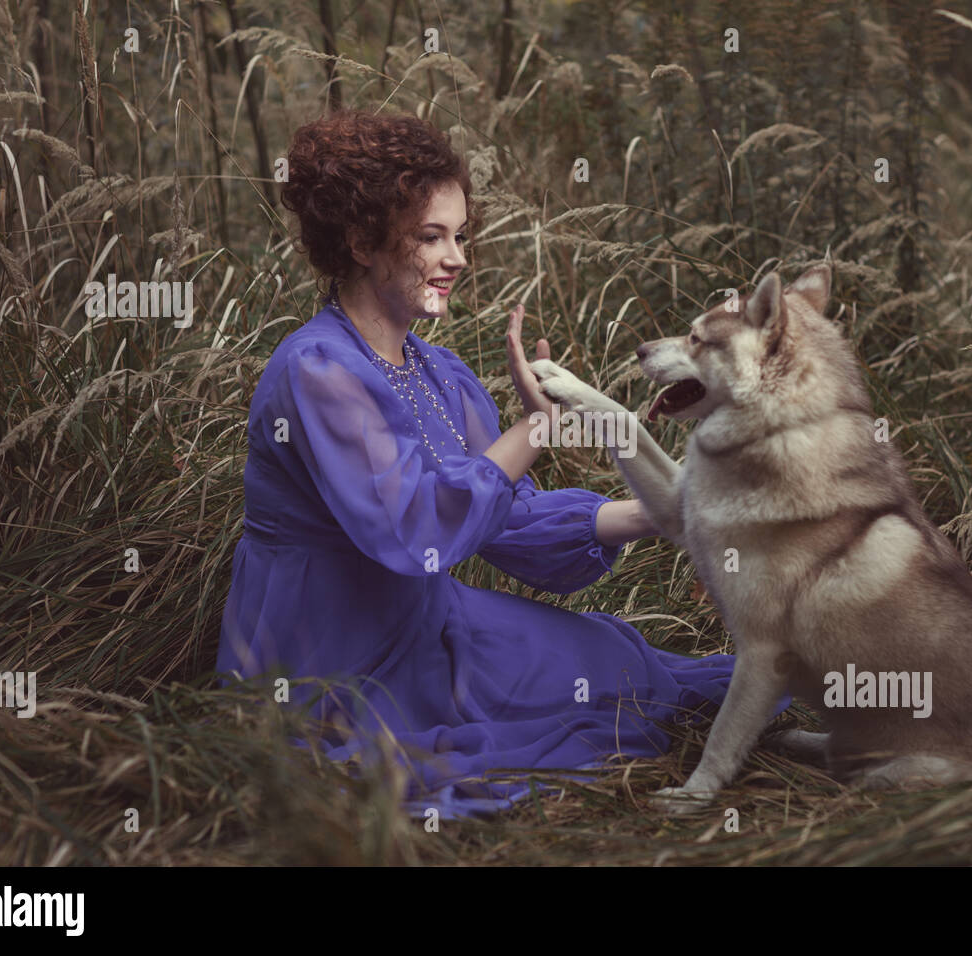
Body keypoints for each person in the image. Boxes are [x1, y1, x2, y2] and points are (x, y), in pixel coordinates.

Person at [217, 108, 783, 818]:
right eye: (432, 237)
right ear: (362, 240)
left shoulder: (436, 370)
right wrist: (534, 426)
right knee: (565, 725)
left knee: (623, 663)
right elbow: (418, 529)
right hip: (328, 652)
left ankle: (859, 697)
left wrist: (664, 512)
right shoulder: (318, 371)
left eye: (460, 235)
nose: (457, 257)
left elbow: (502, 518)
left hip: (427, 620)